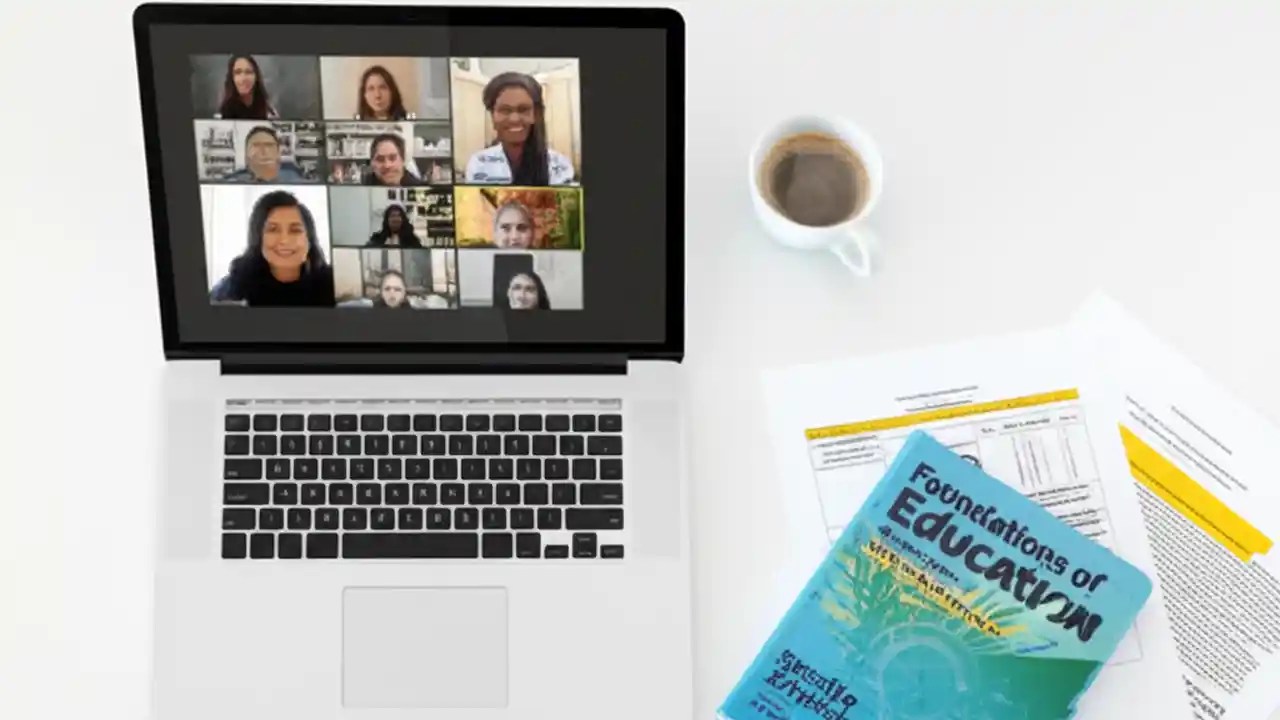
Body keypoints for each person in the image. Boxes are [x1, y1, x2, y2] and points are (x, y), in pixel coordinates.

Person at [209, 190, 334, 306]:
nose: (284, 240)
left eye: (295, 230)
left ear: (309, 239)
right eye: (273, 230)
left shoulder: (334, 285)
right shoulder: (232, 288)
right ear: (258, 237)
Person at [463, 72, 575, 186]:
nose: (514, 119)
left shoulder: (559, 165)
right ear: (492, 116)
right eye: (505, 110)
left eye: (523, 110)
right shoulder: (480, 163)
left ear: (535, 115)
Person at [223, 126, 309, 183]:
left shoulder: (294, 178)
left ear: (278, 153)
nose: (263, 151)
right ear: (246, 155)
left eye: (269, 145)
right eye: (256, 146)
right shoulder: (232, 182)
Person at [217, 55, 278, 120]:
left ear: (256, 77)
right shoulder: (223, 114)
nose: (243, 78)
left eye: (248, 72)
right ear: (231, 78)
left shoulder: (269, 112)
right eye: (238, 72)